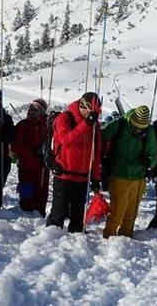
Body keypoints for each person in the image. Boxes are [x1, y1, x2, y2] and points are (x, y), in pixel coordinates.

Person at [45, 92, 104, 233]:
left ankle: (76, 247)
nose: (95, 115)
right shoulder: (64, 119)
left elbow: (95, 154)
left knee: (78, 218)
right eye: (93, 111)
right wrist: (87, 123)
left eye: (97, 112)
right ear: (84, 106)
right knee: (58, 213)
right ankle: (49, 243)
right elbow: (66, 141)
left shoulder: (94, 126)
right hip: (64, 175)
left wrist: (96, 179)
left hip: (83, 178)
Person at [100, 106, 157, 238]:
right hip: (119, 175)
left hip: (139, 178)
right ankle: (108, 236)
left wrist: (149, 161)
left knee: (131, 213)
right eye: (136, 127)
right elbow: (101, 133)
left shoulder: (149, 132)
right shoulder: (120, 124)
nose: (138, 130)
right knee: (117, 211)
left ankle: (126, 237)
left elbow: (154, 155)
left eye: (141, 129)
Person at [12, 98, 50, 216]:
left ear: (43, 111)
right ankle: (25, 216)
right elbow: (15, 146)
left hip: (43, 167)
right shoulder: (23, 125)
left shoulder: (48, 126)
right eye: (31, 107)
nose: (32, 110)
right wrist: (33, 152)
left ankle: (41, 215)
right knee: (26, 193)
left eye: (36, 109)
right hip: (26, 166)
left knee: (42, 193)